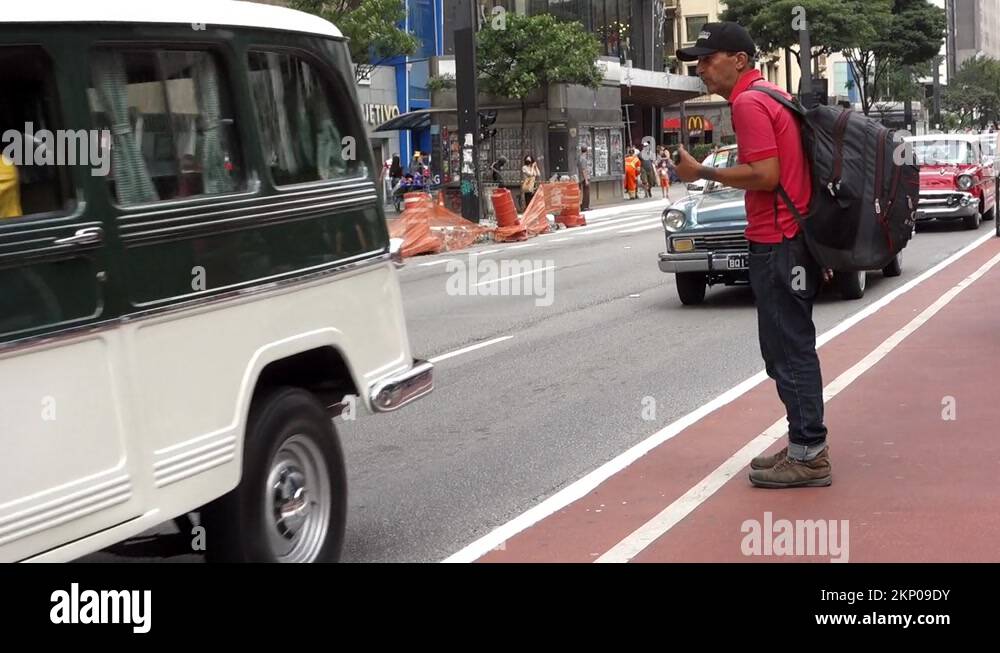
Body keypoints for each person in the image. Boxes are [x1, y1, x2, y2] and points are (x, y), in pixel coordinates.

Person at [674, 21, 831, 489]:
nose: (701, 69)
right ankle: (804, 443)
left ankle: (811, 454)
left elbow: (765, 175)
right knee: (786, 346)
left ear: (738, 60)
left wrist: (702, 170)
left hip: (779, 241)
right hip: (789, 239)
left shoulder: (747, 102)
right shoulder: (770, 93)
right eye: (697, 62)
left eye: (707, 59)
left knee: (788, 349)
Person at [577, 146, 590, 211]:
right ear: (586, 151)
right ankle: (585, 206)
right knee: (586, 192)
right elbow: (584, 169)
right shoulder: (583, 159)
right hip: (584, 177)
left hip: (580, 177)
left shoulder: (579, 158)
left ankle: (582, 205)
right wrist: (586, 179)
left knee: (582, 191)